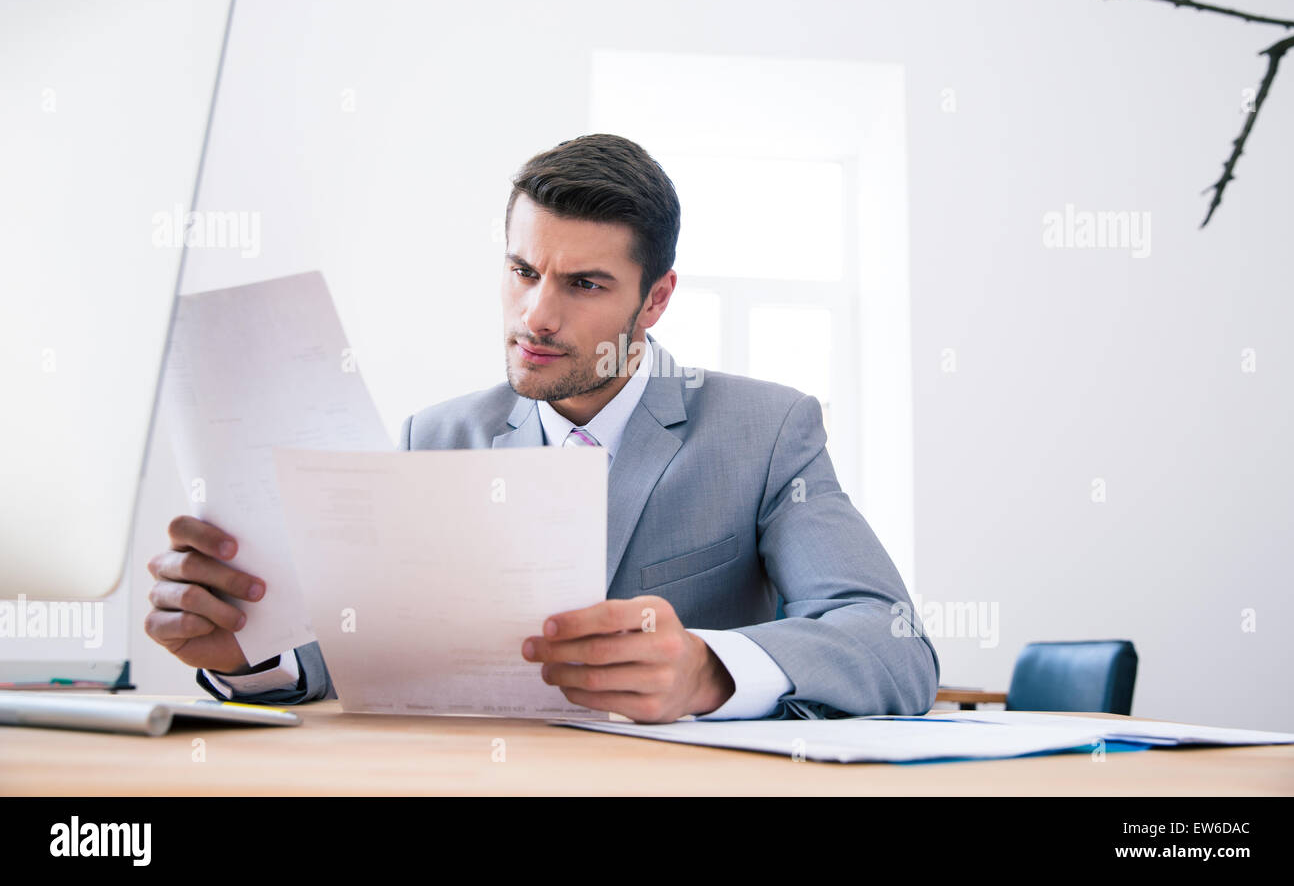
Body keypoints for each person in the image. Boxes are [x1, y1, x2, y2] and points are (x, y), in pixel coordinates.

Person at [145, 133, 939, 722]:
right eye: (524, 272)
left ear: (655, 299)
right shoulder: (438, 438)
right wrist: (251, 654)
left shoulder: (767, 431)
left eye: (584, 284)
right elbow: (360, 650)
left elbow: (893, 642)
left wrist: (710, 669)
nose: (538, 316)